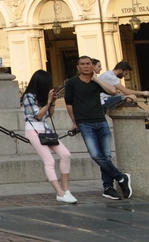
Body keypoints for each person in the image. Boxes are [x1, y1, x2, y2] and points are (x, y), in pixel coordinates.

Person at [64, 56, 134, 200]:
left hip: (101, 121)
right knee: (96, 155)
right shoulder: (72, 83)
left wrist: (96, 79)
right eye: (82, 64)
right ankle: (121, 178)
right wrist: (74, 121)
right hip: (84, 123)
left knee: (106, 156)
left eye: (88, 64)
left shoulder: (97, 82)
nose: (85, 66)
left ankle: (108, 187)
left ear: (92, 65)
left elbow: (113, 91)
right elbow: (69, 104)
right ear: (78, 67)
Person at [22, 70, 74, 203]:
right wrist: (48, 101)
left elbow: (49, 115)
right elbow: (38, 115)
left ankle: (65, 188)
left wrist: (52, 102)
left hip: (45, 129)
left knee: (65, 154)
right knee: (49, 161)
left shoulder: (43, 95)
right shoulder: (28, 96)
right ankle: (60, 192)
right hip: (33, 130)